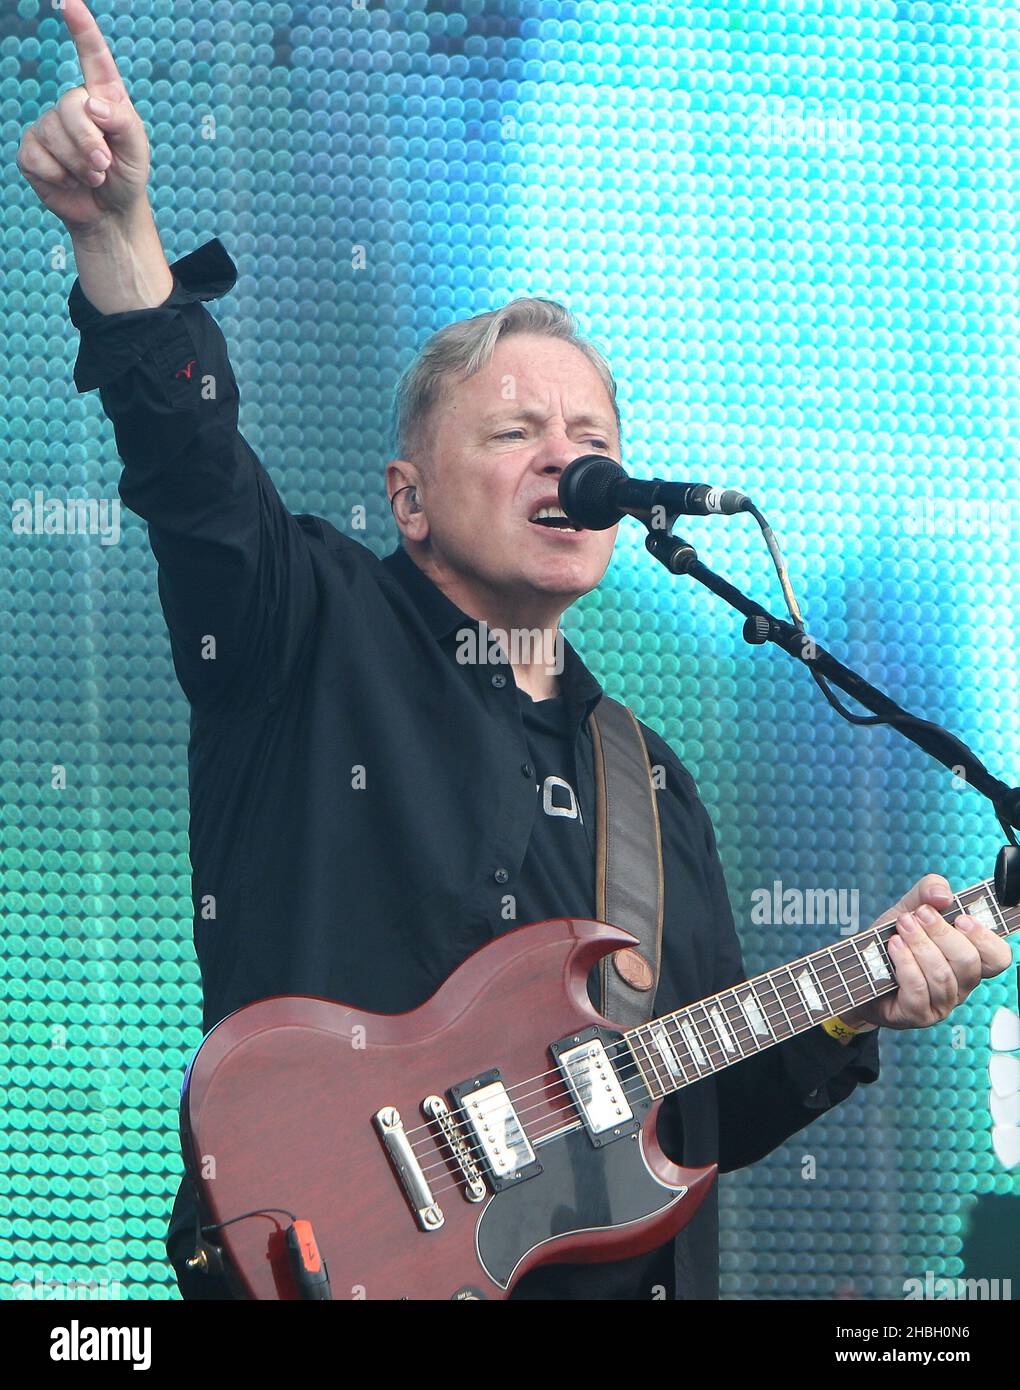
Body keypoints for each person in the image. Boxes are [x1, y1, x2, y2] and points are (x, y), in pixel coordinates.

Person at [19, 0, 1012, 1301]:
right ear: (411, 494)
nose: (569, 456)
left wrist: (860, 997)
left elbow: (690, 1115)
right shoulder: (305, 622)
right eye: (516, 432)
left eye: (590, 431)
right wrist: (116, 234)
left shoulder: (650, 787)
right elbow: (194, 475)